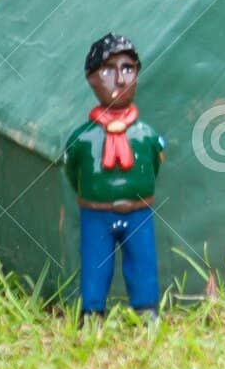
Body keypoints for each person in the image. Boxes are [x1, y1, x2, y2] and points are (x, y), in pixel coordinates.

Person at [63, 34, 165, 324]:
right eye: (108, 71)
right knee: (96, 264)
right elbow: (73, 172)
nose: (120, 80)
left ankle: (147, 312)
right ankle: (92, 313)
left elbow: (154, 165)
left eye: (128, 69)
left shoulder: (146, 135)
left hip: (138, 212)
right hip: (97, 215)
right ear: (92, 79)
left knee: (143, 262)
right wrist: (94, 196)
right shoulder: (82, 139)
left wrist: (137, 193)